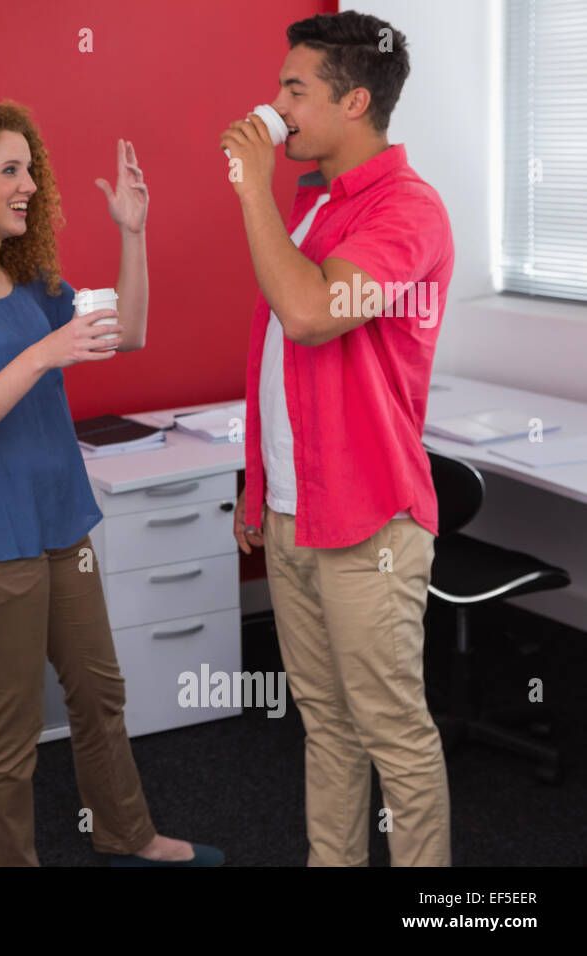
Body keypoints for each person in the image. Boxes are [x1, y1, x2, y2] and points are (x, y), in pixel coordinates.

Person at [0, 100, 224, 867]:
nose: (30, 184)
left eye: (30, 169)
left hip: (61, 525)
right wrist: (43, 355)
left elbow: (126, 334)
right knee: (10, 730)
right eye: (11, 170)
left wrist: (132, 234)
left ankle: (126, 833)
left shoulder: (31, 280)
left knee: (101, 697)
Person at [221, 10, 453, 866]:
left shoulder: (409, 212)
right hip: (292, 511)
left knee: (393, 732)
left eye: (294, 89)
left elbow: (314, 316)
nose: (275, 104)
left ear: (355, 101)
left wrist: (250, 190)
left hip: (370, 525)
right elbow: (276, 357)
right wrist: (260, 484)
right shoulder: (315, 205)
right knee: (326, 726)